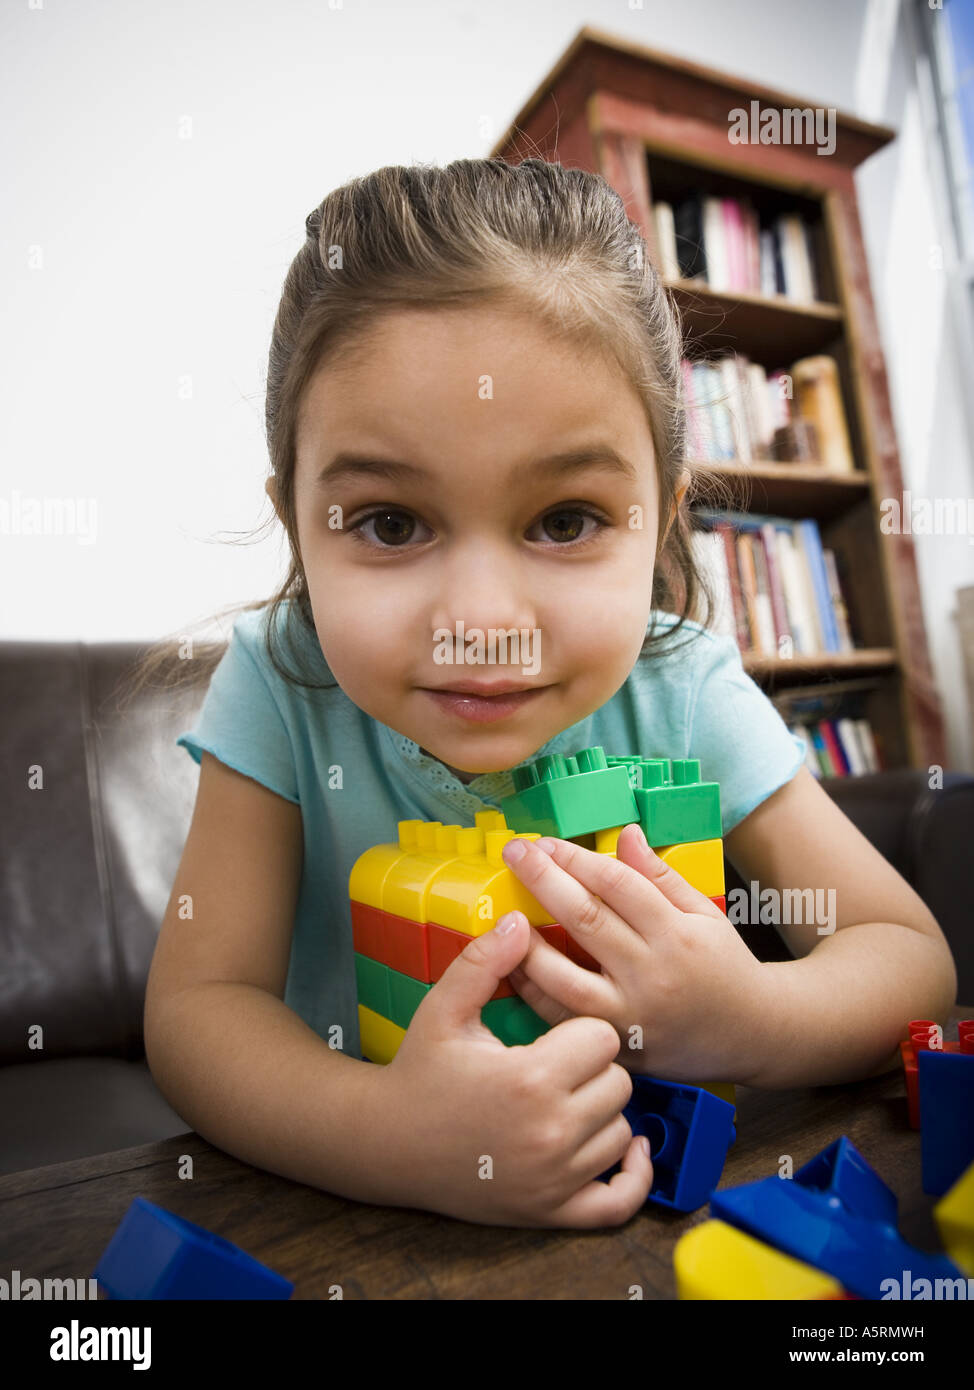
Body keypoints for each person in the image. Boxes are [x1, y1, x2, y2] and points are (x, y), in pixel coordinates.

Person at [140, 159, 957, 1230]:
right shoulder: (278, 680)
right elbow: (200, 1007)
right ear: (300, 524)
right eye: (389, 523)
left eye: (564, 520)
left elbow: (908, 960)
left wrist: (747, 1013)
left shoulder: (683, 684)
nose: (481, 617)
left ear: (657, 522)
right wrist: (393, 1136)